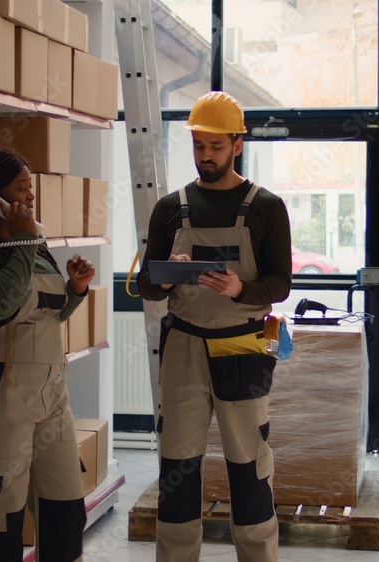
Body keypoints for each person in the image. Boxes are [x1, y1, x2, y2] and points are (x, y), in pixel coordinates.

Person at [137, 91, 292, 562]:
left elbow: (280, 284)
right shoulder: (170, 208)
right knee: (177, 466)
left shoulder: (266, 207)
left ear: (237, 145)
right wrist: (168, 275)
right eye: (199, 146)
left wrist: (238, 290)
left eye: (216, 147)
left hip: (243, 346)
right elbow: (145, 284)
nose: (205, 156)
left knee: (249, 465)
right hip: (183, 344)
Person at [0, 147, 96, 562]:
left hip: (49, 392)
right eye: (21, 188)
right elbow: (0, 302)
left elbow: (46, 314)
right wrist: (25, 238)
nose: (30, 198)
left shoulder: (30, 241)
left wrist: (75, 292)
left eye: (31, 188)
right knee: (0, 516)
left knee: (64, 506)